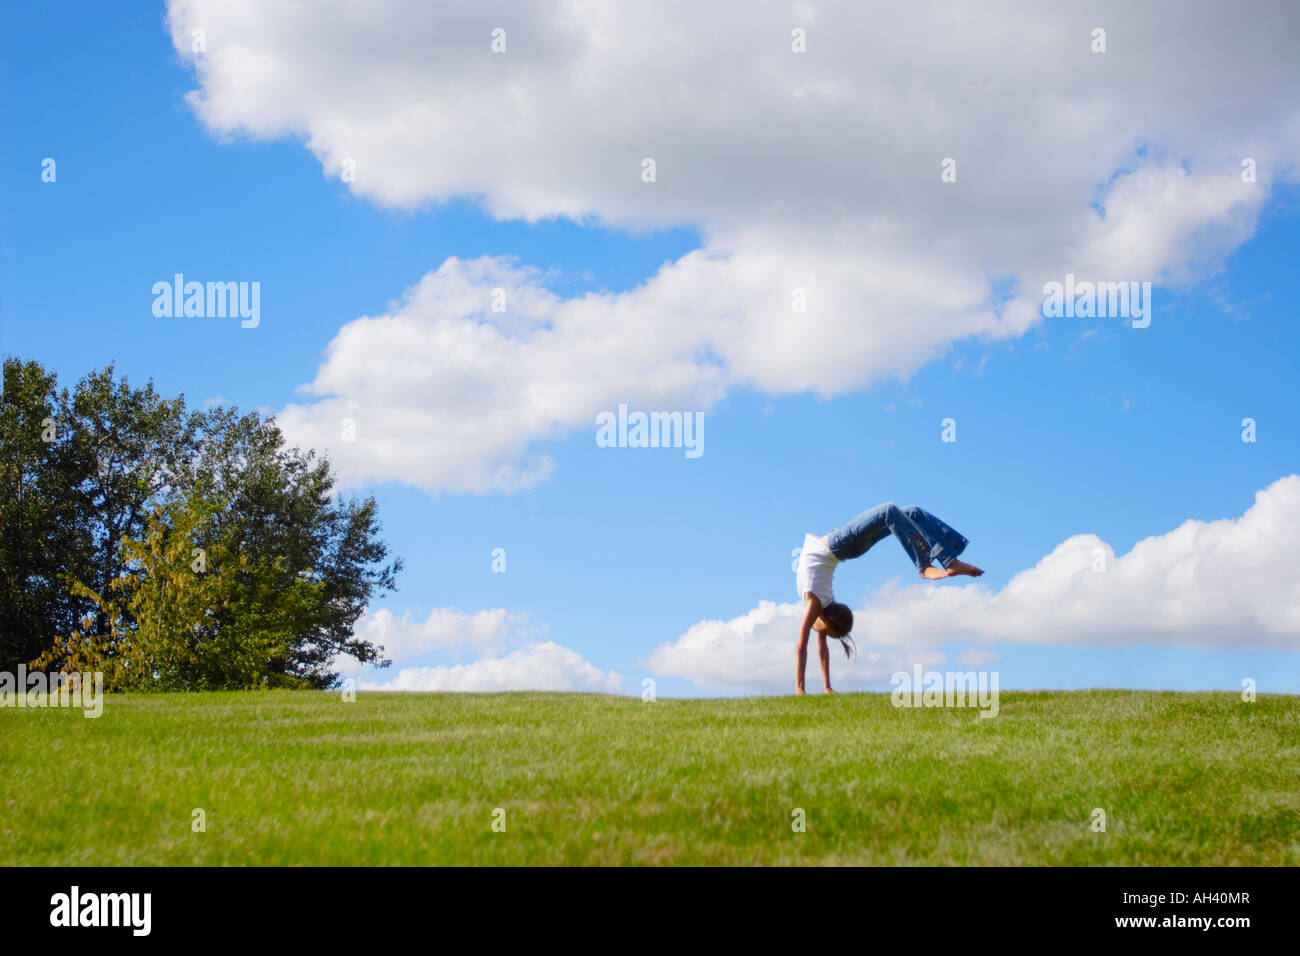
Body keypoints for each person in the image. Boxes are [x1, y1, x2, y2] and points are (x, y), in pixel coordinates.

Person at [794, 502, 983, 695]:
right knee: (895, 513)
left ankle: (937, 561)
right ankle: (946, 560)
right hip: (843, 545)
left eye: (828, 635)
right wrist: (826, 686)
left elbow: (801, 646)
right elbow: (821, 649)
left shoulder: (815, 604)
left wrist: (800, 689)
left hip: (842, 543)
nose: (824, 637)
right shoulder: (823, 605)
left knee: (907, 513)